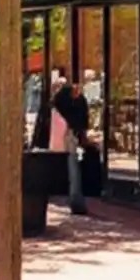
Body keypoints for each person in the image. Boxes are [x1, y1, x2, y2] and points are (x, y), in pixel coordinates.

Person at [52, 82, 90, 215]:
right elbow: (84, 121)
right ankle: (76, 199)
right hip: (71, 135)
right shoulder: (79, 101)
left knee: (71, 166)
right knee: (73, 166)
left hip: (65, 135)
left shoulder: (62, 101)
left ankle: (74, 198)